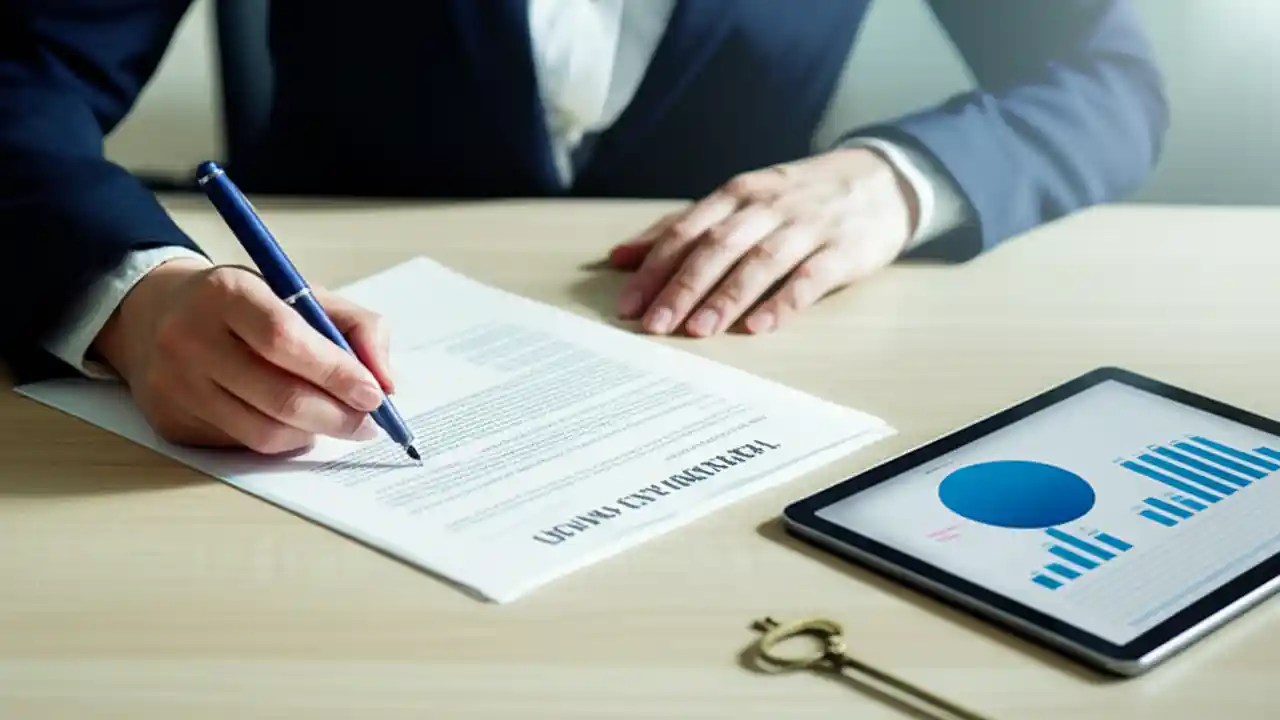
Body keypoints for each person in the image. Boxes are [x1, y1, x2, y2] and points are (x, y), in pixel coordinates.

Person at [0, 1, 1167, 454]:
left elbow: (1108, 79)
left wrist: (894, 180)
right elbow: (21, 74)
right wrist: (133, 293)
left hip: (726, 384)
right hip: (300, 378)